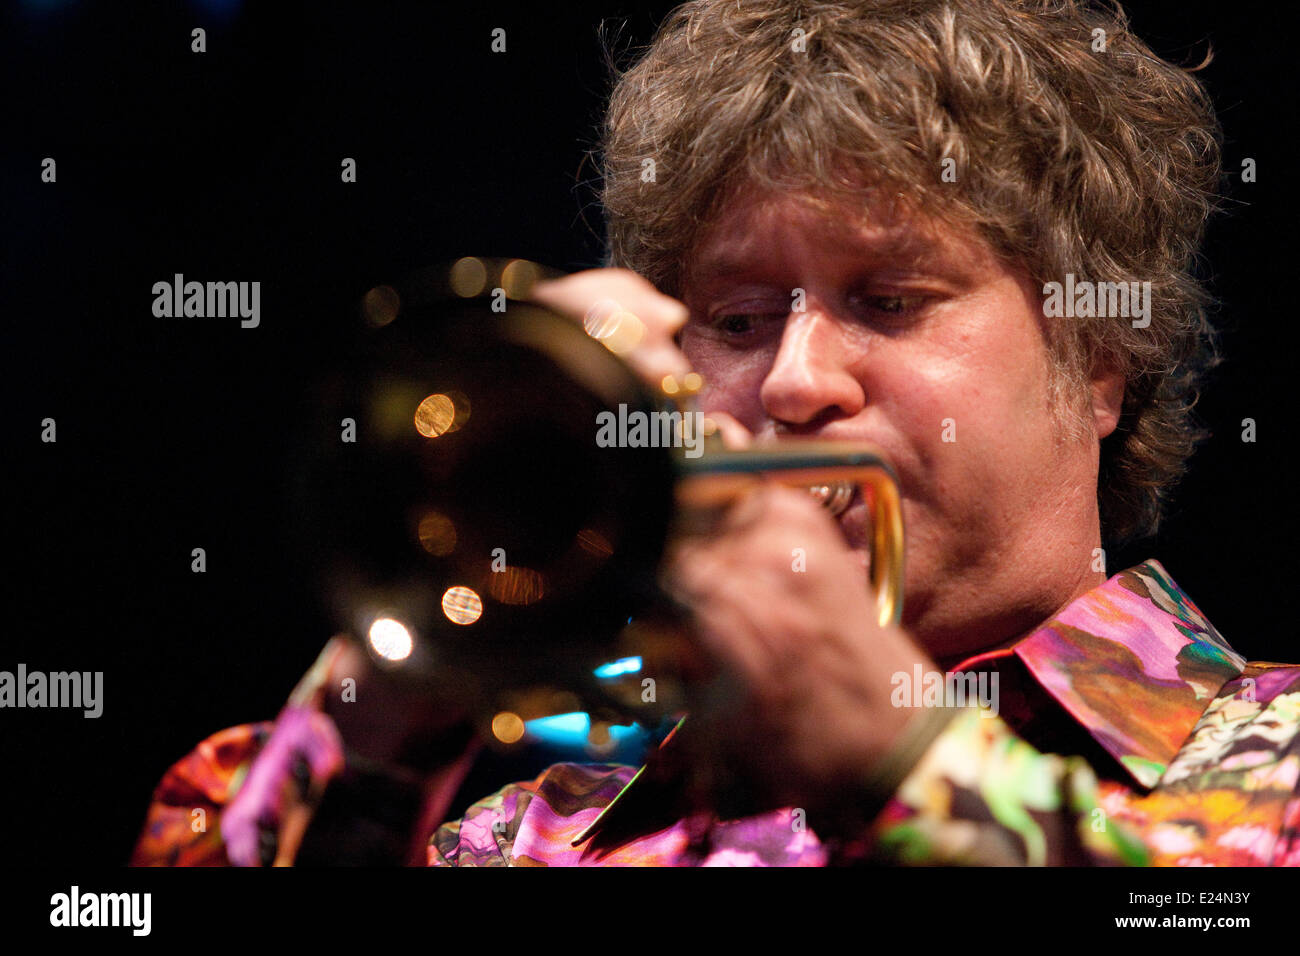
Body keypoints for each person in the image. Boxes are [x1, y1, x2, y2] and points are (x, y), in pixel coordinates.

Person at [132, 0, 1300, 867]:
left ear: (1099, 361)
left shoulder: (1272, 768)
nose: (791, 380)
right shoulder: (522, 839)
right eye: (736, 320)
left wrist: (897, 760)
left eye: (889, 299)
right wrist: (394, 696)